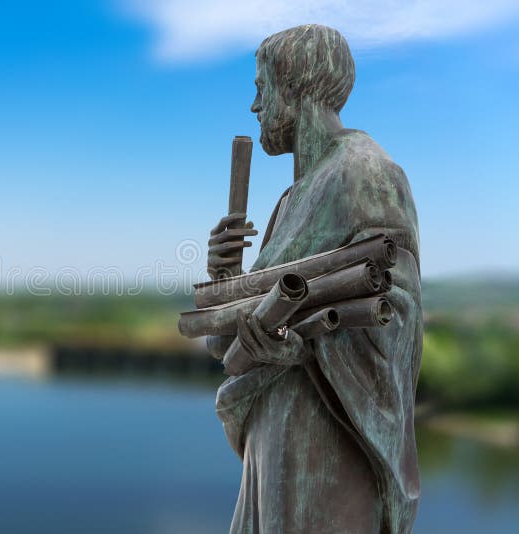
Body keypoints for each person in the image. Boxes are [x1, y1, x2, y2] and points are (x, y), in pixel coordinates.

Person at [205, 25, 422, 534]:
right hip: (274, 440)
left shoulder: (365, 173)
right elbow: (223, 344)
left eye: (262, 88)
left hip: (329, 435)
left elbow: (396, 311)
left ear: (296, 86)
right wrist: (224, 277)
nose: (255, 106)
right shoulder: (289, 201)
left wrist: (303, 344)